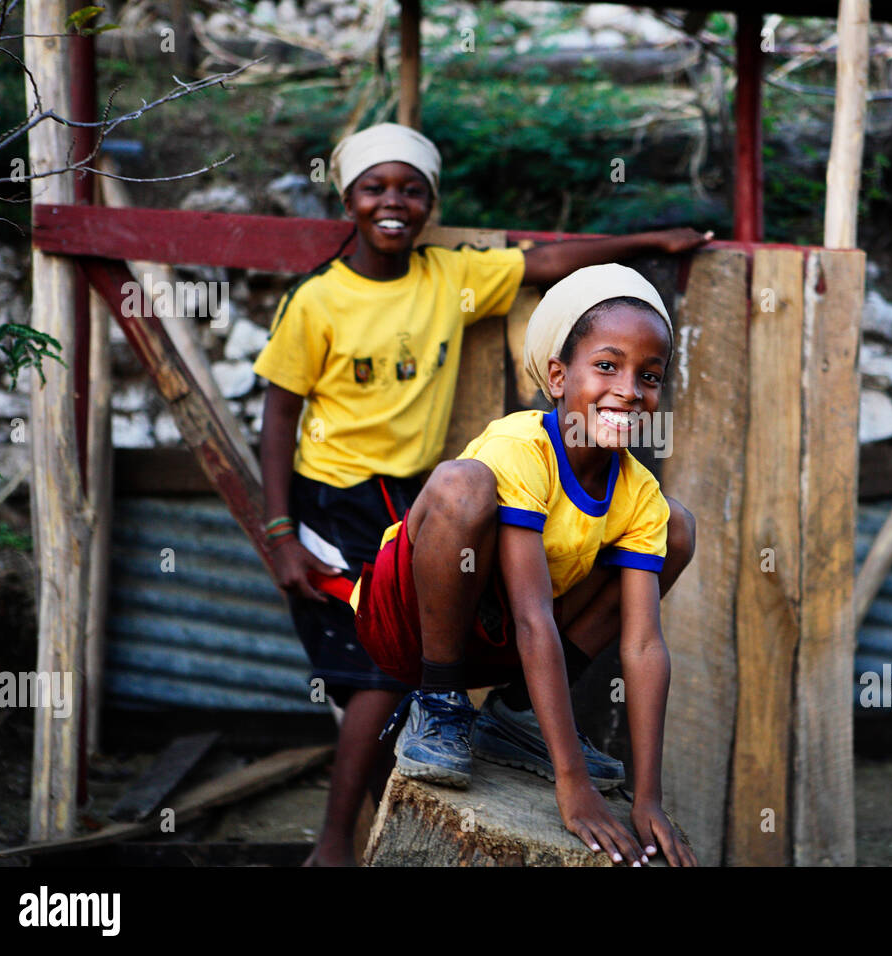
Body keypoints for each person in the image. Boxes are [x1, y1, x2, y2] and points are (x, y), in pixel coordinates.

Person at [255, 122, 709, 866]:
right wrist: (278, 528)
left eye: (411, 188)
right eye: (375, 187)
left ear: (433, 201)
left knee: (669, 528)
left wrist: (650, 246)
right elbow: (278, 411)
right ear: (346, 198)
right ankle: (345, 832)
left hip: (408, 500)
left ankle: (511, 718)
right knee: (375, 679)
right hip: (340, 499)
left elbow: (545, 263)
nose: (393, 201)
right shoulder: (321, 301)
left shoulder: (446, 278)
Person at [352, 264, 698, 866]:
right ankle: (439, 704)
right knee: (463, 485)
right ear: (560, 377)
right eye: (607, 366)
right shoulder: (521, 449)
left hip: (501, 639)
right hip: (412, 622)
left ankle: (514, 713)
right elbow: (535, 617)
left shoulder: (636, 493)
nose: (629, 390)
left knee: (679, 528)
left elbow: (643, 647)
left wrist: (648, 797)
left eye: (649, 376)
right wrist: (573, 784)